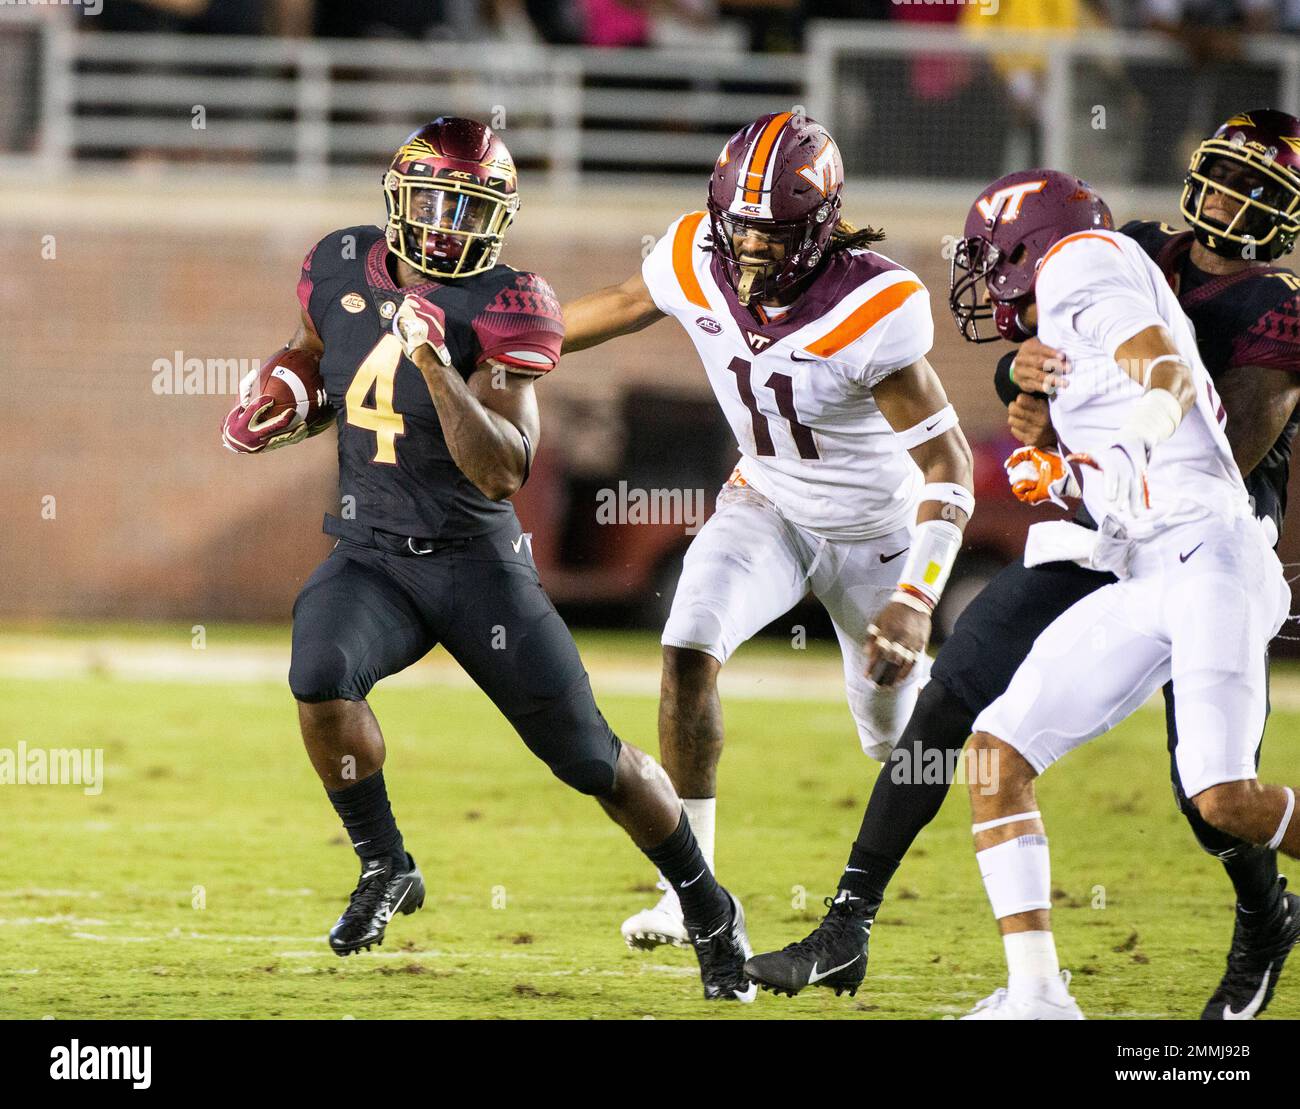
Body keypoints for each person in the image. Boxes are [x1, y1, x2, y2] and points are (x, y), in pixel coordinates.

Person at [746, 110, 1300, 1020]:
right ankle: (855, 922)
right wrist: (1029, 374)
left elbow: (1212, 434)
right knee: (966, 703)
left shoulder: (1266, 304)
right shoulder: (1123, 245)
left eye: (1256, 189)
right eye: (1225, 176)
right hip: (1104, 526)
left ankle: (1263, 917)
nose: (1231, 201)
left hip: (1195, 530)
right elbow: (1045, 372)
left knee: (1212, 794)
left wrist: (1092, 462)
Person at [219, 117, 755, 1002]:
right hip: (372, 552)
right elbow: (325, 360)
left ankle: (708, 905)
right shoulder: (338, 263)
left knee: (590, 758)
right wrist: (286, 396)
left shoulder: (510, 304)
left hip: (475, 565)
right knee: (317, 671)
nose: (445, 223)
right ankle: (386, 863)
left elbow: (505, 466)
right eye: (432, 199)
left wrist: (435, 363)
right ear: (397, 196)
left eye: (467, 208)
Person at [560, 110, 975, 950]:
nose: (750, 248)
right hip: (767, 503)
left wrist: (917, 597)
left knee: (901, 743)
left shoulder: (872, 304)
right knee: (686, 650)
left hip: (877, 533)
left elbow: (951, 467)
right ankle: (689, 893)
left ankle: (1001, 751)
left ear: (821, 227)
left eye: (774, 232)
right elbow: (624, 302)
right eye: (739, 227)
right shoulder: (691, 255)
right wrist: (498, 346)